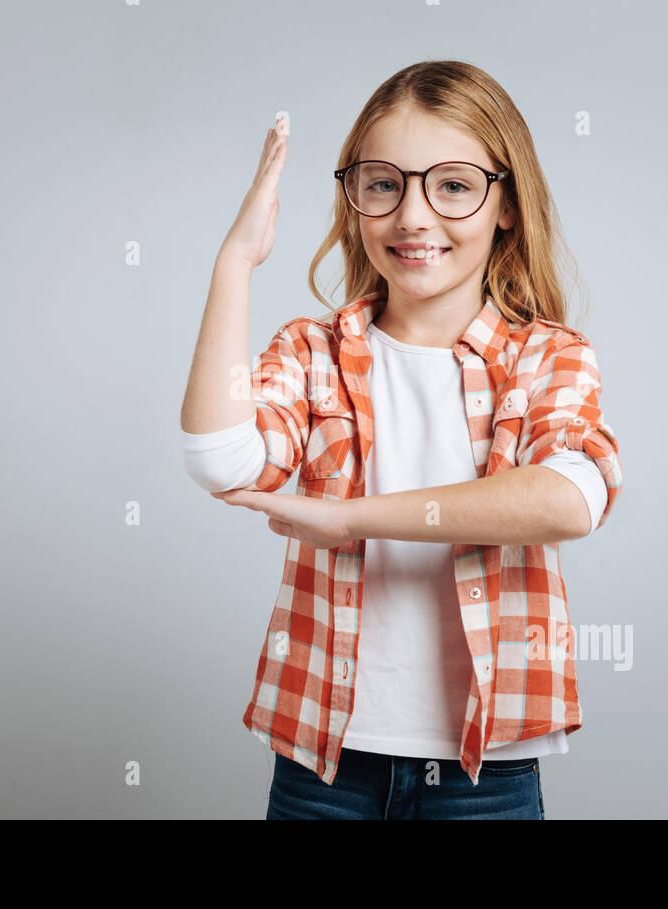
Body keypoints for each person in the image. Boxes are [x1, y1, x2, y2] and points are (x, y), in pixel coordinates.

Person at [178, 60, 624, 819]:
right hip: (327, 763)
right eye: (383, 184)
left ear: (506, 204)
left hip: (485, 775)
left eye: (451, 184)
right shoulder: (314, 350)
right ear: (355, 199)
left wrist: (350, 518)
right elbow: (221, 457)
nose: (413, 216)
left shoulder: (547, 355)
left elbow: (569, 497)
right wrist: (234, 262)